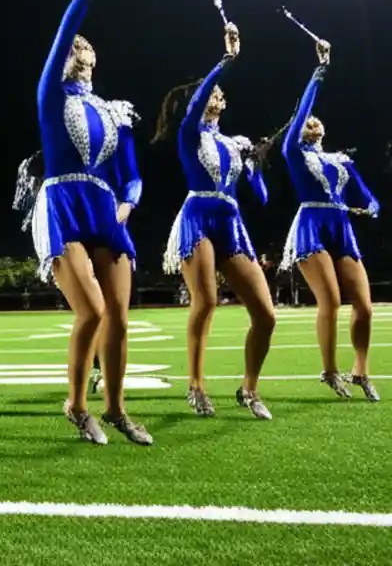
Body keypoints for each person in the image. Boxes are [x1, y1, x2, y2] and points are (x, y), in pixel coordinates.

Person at [33, 0, 151, 445]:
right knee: (93, 311)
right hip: (62, 202)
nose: (78, 52)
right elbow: (65, 30)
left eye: (85, 49)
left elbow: (132, 172)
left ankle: (118, 409)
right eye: (72, 50)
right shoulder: (50, 94)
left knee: (120, 318)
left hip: (104, 207)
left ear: (95, 61)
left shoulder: (113, 111)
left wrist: (128, 203)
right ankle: (78, 406)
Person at [153, 21, 276, 419]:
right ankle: (196, 385)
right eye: (213, 92)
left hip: (232, 222)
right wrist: (226, 60)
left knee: (266, 314)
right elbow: (199, 97)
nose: (218, 96)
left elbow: (261, 198)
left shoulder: (233, 144)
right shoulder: (191, 132)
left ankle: (249, 389)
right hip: (198, 217)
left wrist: (255, 165)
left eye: (221, 93)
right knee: (205, 301)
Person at [278, 38, 379, 402]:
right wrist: (319, 71)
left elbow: (366, 193)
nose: (313, 121)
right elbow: (305, 107)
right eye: (306, 121)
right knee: (331, 301)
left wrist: (373, 206)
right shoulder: (293, 153)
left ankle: (361, 370)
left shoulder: (340, 160)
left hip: (342, 228)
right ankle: (329, 370)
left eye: (315, 120)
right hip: (311, 227)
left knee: (365, 306)